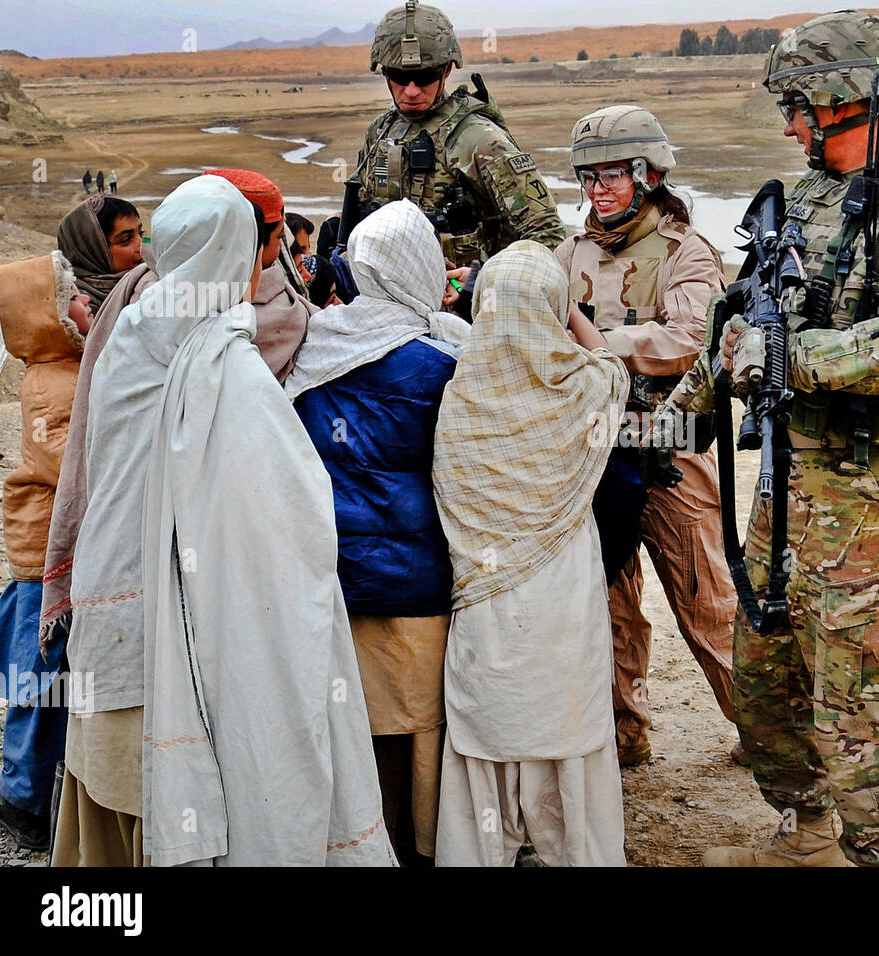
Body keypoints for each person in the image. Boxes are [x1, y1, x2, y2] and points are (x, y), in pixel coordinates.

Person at [666, 11, 879, 866]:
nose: (787, 125)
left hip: (874, 494)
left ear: (845, 98)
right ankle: (805, 822)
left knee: (860, 699)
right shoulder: (808, 195)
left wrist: (790, 358)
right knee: (768, 675)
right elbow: (741, 318)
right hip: (789, 483)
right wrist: (677, 409)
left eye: (797, 106)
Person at [54, 174, 393, 866]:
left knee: (117, 839)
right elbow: (289, 526)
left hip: (111, 628)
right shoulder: (231, 372)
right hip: (184, 659)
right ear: (240, 255)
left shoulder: (130, 338)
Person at [432, 241, 628, 867]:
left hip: (484, 595)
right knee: (564, 721)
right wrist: (572, 312)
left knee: (491, 724)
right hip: (562, 590)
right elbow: (614, 367)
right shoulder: (584, 393)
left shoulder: (459, 400)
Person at [555, 105, 737, 767]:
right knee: (607, 601)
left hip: (668, 447)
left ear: (650, 174)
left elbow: (691, 339)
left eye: (614, 175)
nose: (599, 189)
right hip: (591, 456)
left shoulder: (686, 251)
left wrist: (597, 342)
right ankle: (623, 732)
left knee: (707, 599)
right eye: (589, 177)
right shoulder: (568, 253)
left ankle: (769, 739)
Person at [289, 200, 469, 864]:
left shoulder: (317, 346)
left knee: (349, 726)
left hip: (335, 580)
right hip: (421, 585)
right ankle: (423, 844)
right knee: (420, 731)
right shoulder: (448, 359)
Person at [0, 251, 90, 852]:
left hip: (51, 544)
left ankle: (32, 786)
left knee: (49, 674)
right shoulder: (52, 382)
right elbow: (69, 465)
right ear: (49, 315)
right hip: (43, 553)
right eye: (73, 299)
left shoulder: (64, 368)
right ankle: (22, 795)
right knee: (41, 675)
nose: (86, 306)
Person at [355, 3, 563, 265]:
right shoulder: (381, 132)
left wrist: (483, 281)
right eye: (398, 76)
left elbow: (547, 234)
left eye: (424, 77)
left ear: (447, 70)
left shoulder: (480, 140)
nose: (411, 91)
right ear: (384, 72)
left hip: (466, 300)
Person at [204, 168, 316, 381]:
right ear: (251, 242)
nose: (279, 251)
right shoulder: (283, 314)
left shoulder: (151, 290)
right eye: (279, 237)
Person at [56, 195, 143, 313]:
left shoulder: (149, 284)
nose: (141, 246)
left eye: (141, 234)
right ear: (92, 251)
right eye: (126, 240)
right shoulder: (78, 310)